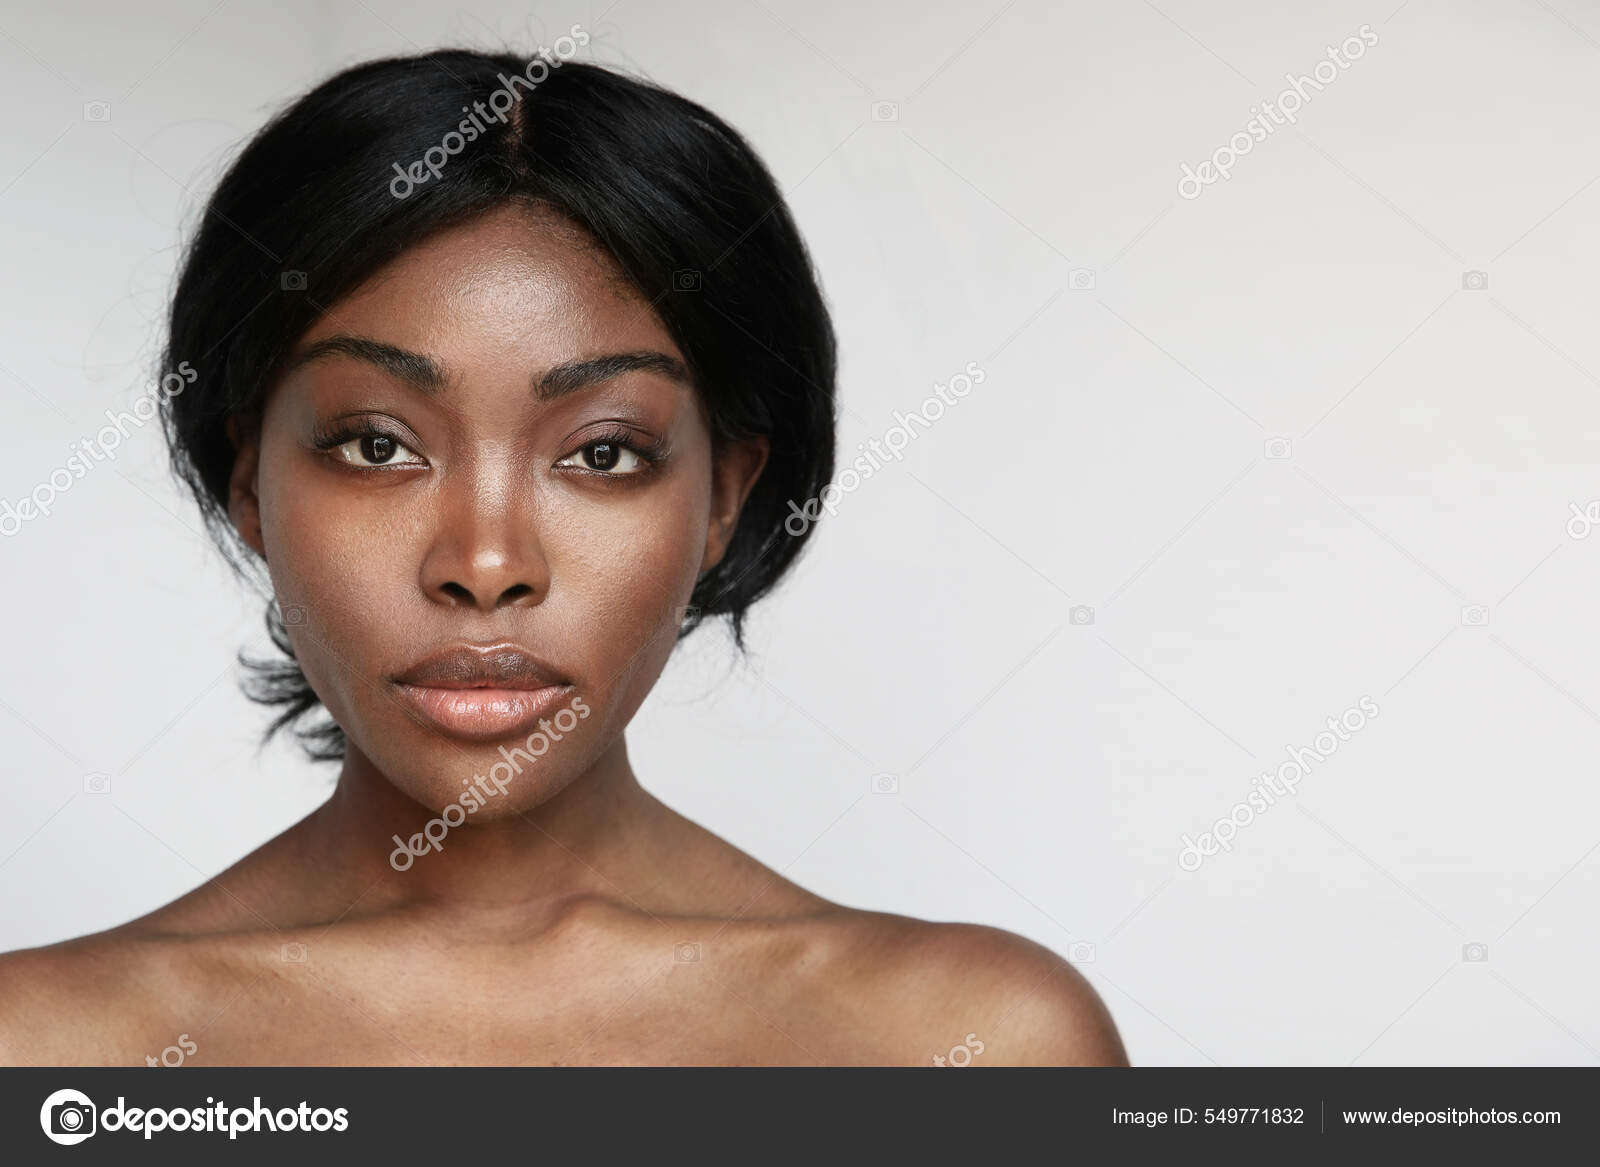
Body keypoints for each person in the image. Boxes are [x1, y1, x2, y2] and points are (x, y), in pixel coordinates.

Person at [0, 48, 1126, 1066]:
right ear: (250, 481)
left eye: (602, 453)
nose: (485, 565)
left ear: (726, 497)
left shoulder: (971, 1046)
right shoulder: (47, 1052)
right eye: (378, 444)